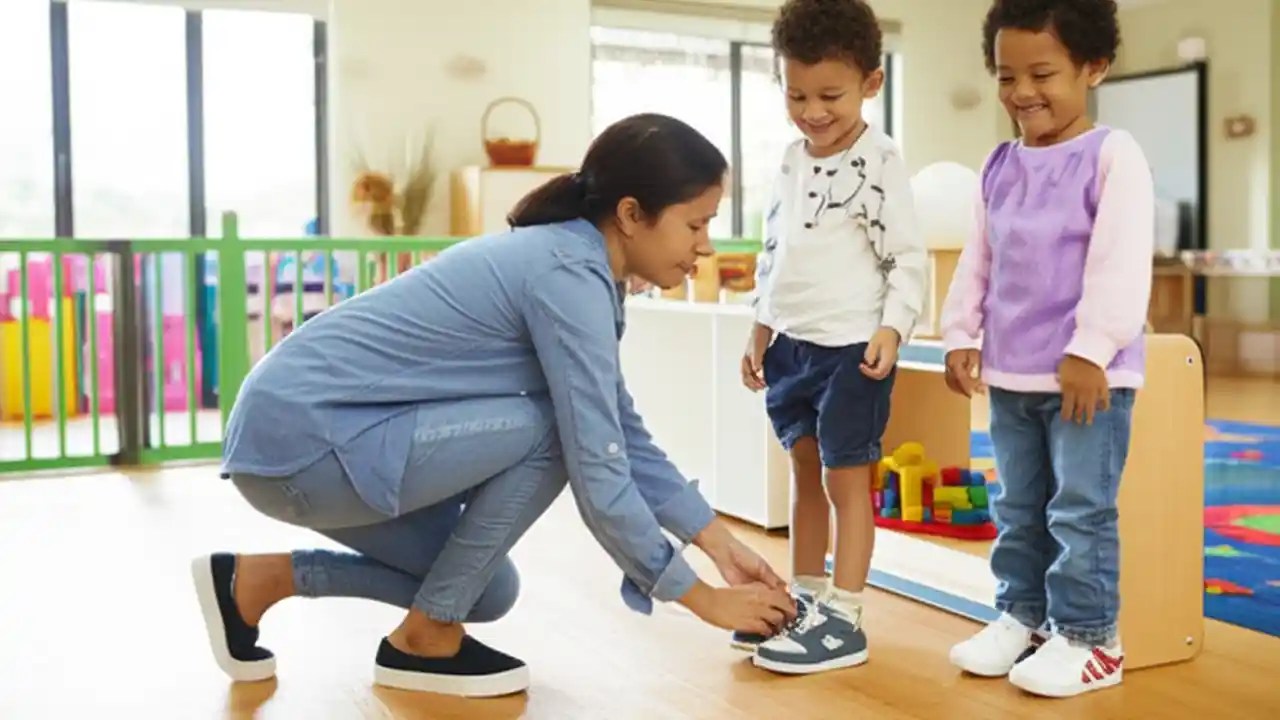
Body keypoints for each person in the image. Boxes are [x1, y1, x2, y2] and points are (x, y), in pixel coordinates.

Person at [193, 113, 798, 699]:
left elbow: (622, 432)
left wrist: (723, 546)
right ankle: (426, 641)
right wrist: (701, 598)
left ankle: (258, 582)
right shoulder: (566, 273)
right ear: (632, 215)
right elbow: (597, 461)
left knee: (482, 590)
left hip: (290, 447)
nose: (706, 246)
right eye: (696, 225)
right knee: (554, 433)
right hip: (306, 442)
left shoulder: (583, 270)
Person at [940, 0, 1154, 699]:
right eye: (1007, 75)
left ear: (1094, 68)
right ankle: (1024, 616)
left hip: (1087, 376)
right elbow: (981, 257)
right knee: (1019, 504)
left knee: (1079, 509)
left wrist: (1092, 348)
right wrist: (961, 333)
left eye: (1043, 73)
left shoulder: (1112, 154)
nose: (1022, 92)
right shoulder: (999, 163)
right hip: (1012, 373)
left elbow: (1121, 259)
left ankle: (1093, 639)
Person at [737, 0, 926, 675]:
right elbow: (773, 250)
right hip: (791, 345)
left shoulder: (881, 160)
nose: (812, 111)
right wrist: (760, 326)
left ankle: (844, 616)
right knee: (802, 474)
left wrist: (892, 327)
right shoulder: (789, 159)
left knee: (848, 481)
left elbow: (908, 256)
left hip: (852, 349)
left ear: (871, 84)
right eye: (796, 94)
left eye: (830, 96)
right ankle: (805, 598)